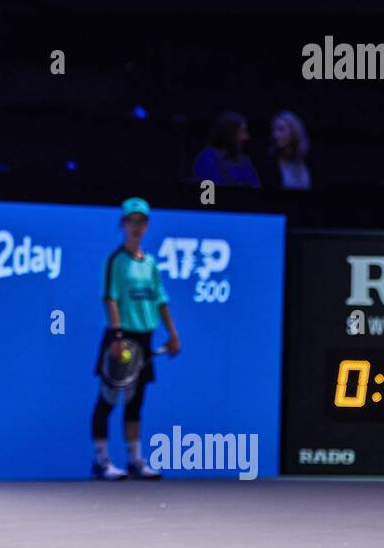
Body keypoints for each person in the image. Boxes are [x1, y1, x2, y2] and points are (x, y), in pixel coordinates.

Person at [91, 197, 181, 480]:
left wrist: (173, 334)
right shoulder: (116, 261)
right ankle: (102, 462)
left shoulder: (151, 263)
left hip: (144, 338)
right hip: (120, 338)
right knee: (107, 401)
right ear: (122, 225)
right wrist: (117, 336)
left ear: (147, 226)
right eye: (131, 220)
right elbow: (111, 298)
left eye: (142, 220)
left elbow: (161, 300)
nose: (137, 226)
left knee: (136, 401)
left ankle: (134, 461)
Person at [193, 111, 260, 187]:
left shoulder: (244, 160)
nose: (246, 137)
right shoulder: (207, 159)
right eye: (241, 131)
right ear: (229, 134)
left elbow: (255, 189)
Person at [263, 110, 311, 190]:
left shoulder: (307, 163)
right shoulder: (270, 165)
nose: (275, 135)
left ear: (294, 132)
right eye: (274, 130)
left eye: (281, 129)